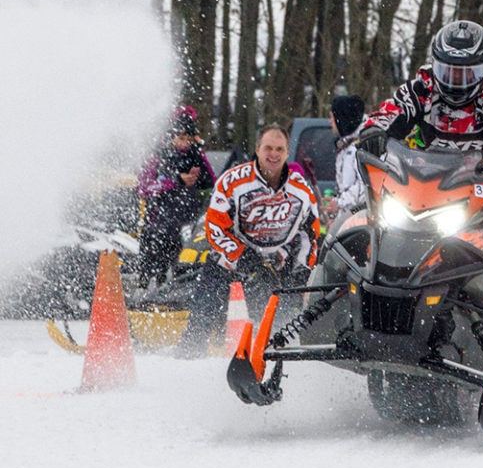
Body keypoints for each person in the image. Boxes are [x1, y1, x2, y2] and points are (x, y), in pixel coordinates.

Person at [361, 20, 483, 345]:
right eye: (449, 71)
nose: (456, 81)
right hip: (430, 184)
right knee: (380, 226)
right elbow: (394, 108)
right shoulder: (424, 85)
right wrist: (375, 129)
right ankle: (365, 304)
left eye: (466, 73)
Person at [176, 124, 320, 356]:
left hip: (273, 265)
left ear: (286, 152)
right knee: (200, 323)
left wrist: (302, 269)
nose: (273, 154)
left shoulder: (301, 190)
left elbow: (310, 234)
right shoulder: (232, 181)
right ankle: (188, 359)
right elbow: (214, 225)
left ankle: (269, 363)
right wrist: (240, 255)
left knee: (278, 327)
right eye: (268, 148)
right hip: (228, 261)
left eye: (279, 149)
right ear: (257, 149)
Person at [136, 111, 216, 289]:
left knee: (182, 264)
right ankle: (146, 287)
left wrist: (200, 167)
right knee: (152, 263)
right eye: (181, 137)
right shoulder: (157, 156)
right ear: (171, 136)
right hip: (157, 223)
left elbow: (212, 182)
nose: (185, 143)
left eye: (189, 139)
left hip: (187, 224)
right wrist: (176, 182)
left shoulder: (195, 155)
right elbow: (143, 187)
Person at [326, 95, 366, 216]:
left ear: (342, 119)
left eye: (332, 117)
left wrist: (340, 203)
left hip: (361, 220)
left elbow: (364, 186)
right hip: (349, 219)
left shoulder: (362, 148)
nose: (330, 122)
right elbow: (346, 186)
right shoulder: (346, 147)